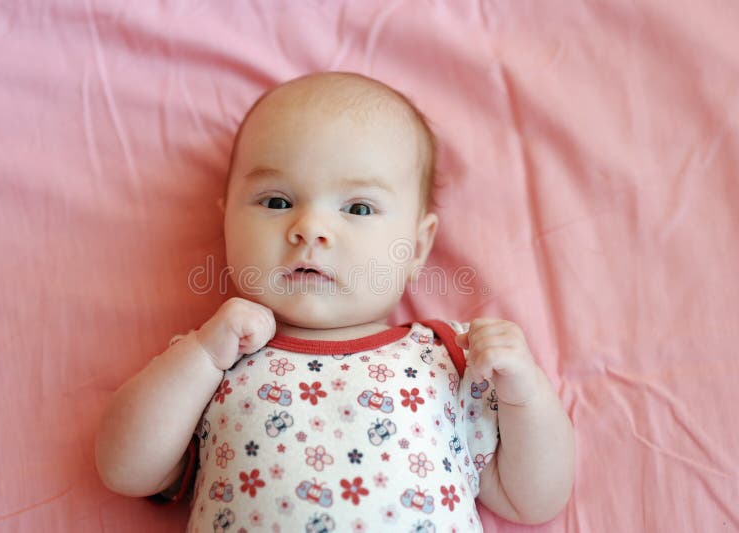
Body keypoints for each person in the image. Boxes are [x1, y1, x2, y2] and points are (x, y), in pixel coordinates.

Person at [95, 71, 575, 532]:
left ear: (417, 247)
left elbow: (532, 500)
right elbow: (125, 471)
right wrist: (201, 355)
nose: (310, 228)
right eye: (277, 202)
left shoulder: (451, 358)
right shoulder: (212, 359)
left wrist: (524, 394)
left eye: (358, 208)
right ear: (226, 225)